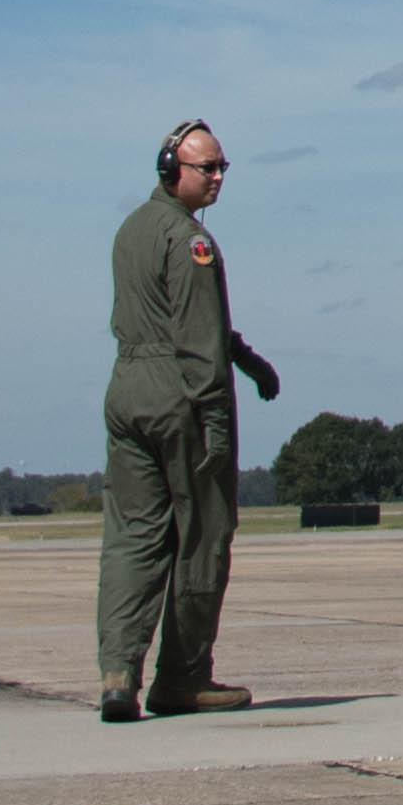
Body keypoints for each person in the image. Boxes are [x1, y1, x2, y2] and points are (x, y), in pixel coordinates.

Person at [96, 121, 277, 722]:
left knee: (131, 540)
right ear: (174, 170)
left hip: (127, 391)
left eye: (224, 166)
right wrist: (217, 425)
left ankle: (118, 674)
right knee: (203, 537)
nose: (220, 178)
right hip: (180, 395)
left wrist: (248, 361)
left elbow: (170, 319)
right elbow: (198, 339)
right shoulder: (192, 240)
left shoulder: (132, 229)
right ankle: (182, 678)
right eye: (209, 168)